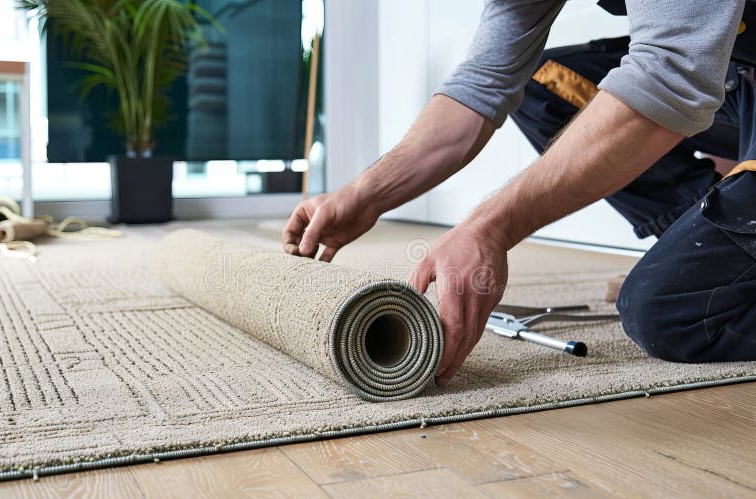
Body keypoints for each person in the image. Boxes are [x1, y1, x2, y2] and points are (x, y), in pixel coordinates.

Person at [283, 0, 756, 386]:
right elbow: (484, 82)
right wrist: (366, 195)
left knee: (670, 312)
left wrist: (488, 228)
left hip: (713, 69)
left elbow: (671, 74)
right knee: (546, 83)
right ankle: (713, 250)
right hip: (736, 73)